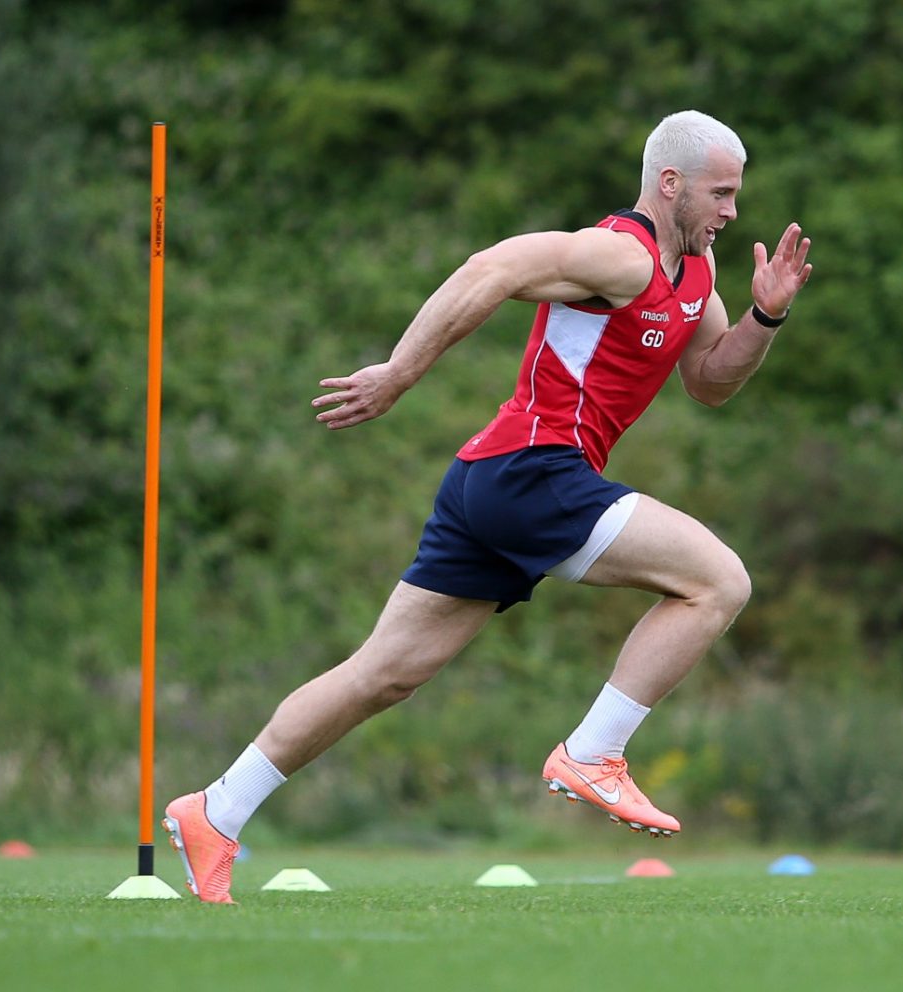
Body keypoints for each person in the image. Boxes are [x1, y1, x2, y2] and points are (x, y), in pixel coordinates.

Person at [162, 110, 812, 903]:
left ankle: (216, 810)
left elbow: (709, 380)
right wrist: (399, 373)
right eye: (721, 194)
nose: (732, 212)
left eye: (736, 195)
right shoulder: (620, 253)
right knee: (718, 581)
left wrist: (765, 316)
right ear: (670, 184)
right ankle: (593, 754)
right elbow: (491, 267)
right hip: (534, 471)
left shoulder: (696, 275)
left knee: (383, 675)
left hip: (497, 480)